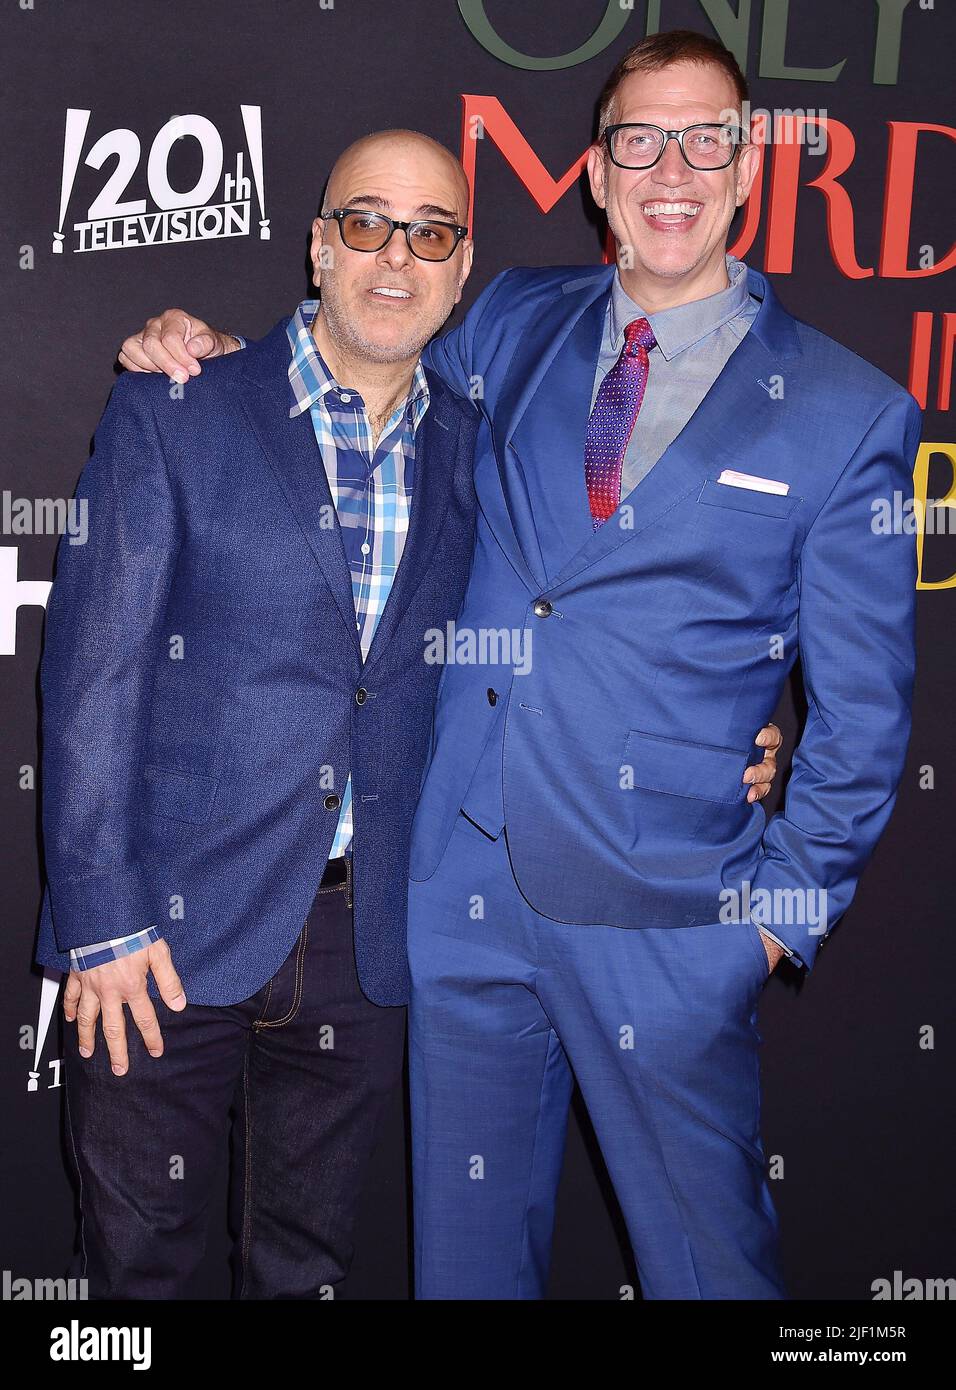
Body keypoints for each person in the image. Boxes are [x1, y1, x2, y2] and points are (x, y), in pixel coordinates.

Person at [118, 33, 891, 1303]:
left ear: (746, 165)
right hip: (458, 907)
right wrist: (212, 362)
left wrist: (765, 928)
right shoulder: (515, 319)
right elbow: (364, 352)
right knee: (464, 1276)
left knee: (709, 1273)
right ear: (597, 171)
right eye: (639, 139)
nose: (671, 169)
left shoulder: (844, 409)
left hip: (672, 925)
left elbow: (863, 720)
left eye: (705, 138)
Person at [37, 129, 485, 1299]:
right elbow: (91, 678)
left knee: (311, 1272)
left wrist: (739, 736)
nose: (397, 255)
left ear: (460, 264)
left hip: (362, 941)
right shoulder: (179, 409)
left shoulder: (479, 454)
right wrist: (102, 920)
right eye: (366, 223)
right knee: (139, 1276)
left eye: (430, 232)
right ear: (317, 247)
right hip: (161, 936)